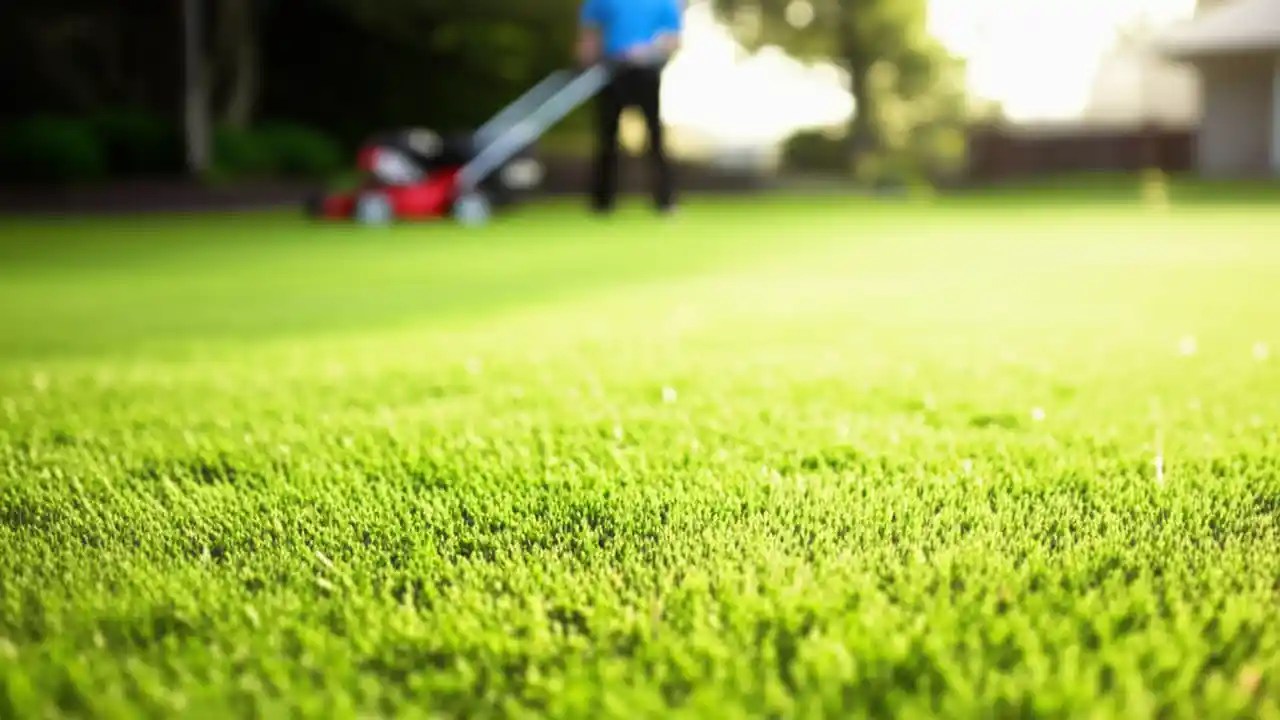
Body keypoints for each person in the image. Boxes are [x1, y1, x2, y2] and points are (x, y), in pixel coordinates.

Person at [576, 0, 683, 216]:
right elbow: (590, 32)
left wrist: (648, 50)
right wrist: (586, 61)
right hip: (612, 70)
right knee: (607, 137)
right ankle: (602, 203)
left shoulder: (665, 2)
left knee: (655, 137)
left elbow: (674, 40)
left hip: (646, 72)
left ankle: (665, 201)